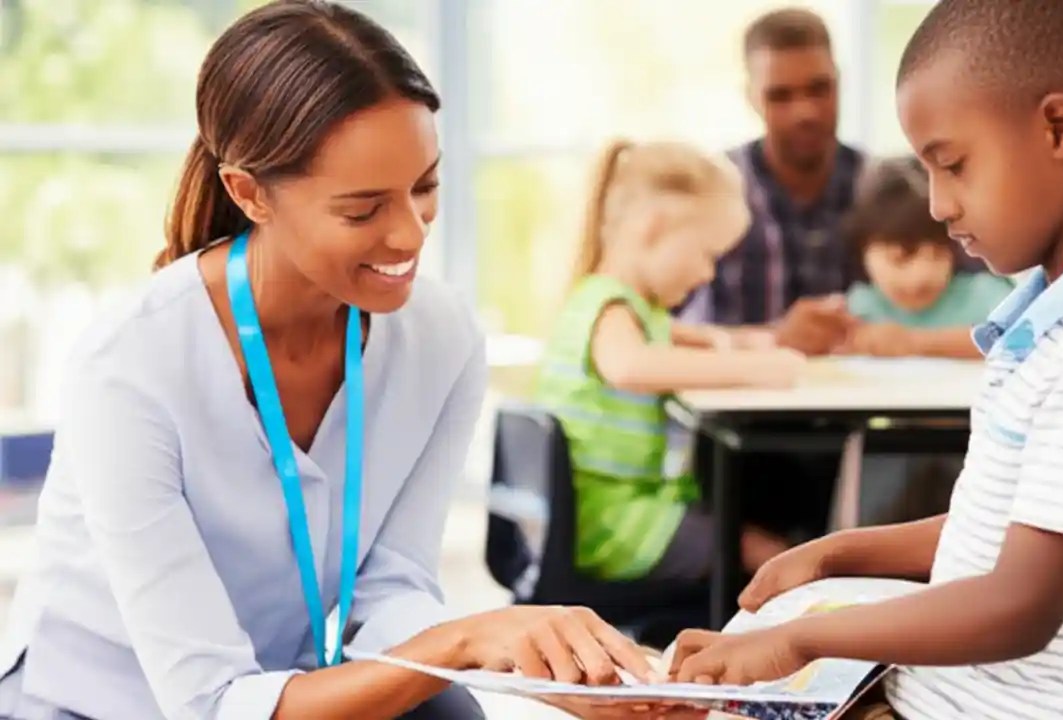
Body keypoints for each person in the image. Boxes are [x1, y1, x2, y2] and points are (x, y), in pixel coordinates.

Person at [0, 3, 655, 719]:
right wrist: (464, 640)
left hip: (287, 683)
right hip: (99, 699)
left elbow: (390, 590)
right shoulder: (129, 364)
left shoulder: (440, 338)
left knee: (452, 711)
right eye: (363, 209)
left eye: (426, 187)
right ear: (248, 193)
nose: (410, 232)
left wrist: (532, 669)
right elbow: (209, 702)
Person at [669, 2, 1063, 719]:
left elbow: (1019, 606)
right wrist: (835, 554)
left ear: (1058, 127)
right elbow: (995, 534)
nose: (935, 205)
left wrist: (806, 641)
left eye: (952, 165)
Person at [535, 139, 801, 584]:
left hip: (622, 516)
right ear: (653, 227)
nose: (708, 274)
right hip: (616, 527)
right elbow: (631, 367)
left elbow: (687, 341)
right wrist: (757, 370)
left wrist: (745, 344)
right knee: (771, 553)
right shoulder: (610, 306)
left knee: (753, 533)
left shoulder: (628, 308)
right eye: (707, 254)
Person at [680, 8, 861, 357]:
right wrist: (776, 337)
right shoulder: (710, 191)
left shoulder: (886, 190)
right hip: (738, 404)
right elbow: (658, 330)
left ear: (839, 83)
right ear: (751, 97)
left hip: (867, 403)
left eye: (819, 89)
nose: (805, 112)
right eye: (780, 96)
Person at [838, 156, 1011, 359]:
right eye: (899, 258)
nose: (922, 275)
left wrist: (915, 342)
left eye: (938, 255)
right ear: (863, 252)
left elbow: (1013, 337)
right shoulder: (860, 305)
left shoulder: (984, 293)